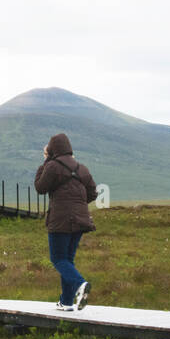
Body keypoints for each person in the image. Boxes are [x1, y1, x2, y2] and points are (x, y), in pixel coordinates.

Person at [34, 132, 98, 311]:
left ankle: (80, 285)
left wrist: (45, 162)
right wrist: (77, 204)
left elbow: (40, 187)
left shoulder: (52, 166)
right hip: (81, 219)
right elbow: (93, 193)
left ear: (52, 150)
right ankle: (67, 302)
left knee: (58, 258)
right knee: (67, 260)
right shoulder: (81, 168)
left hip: (60, 219)